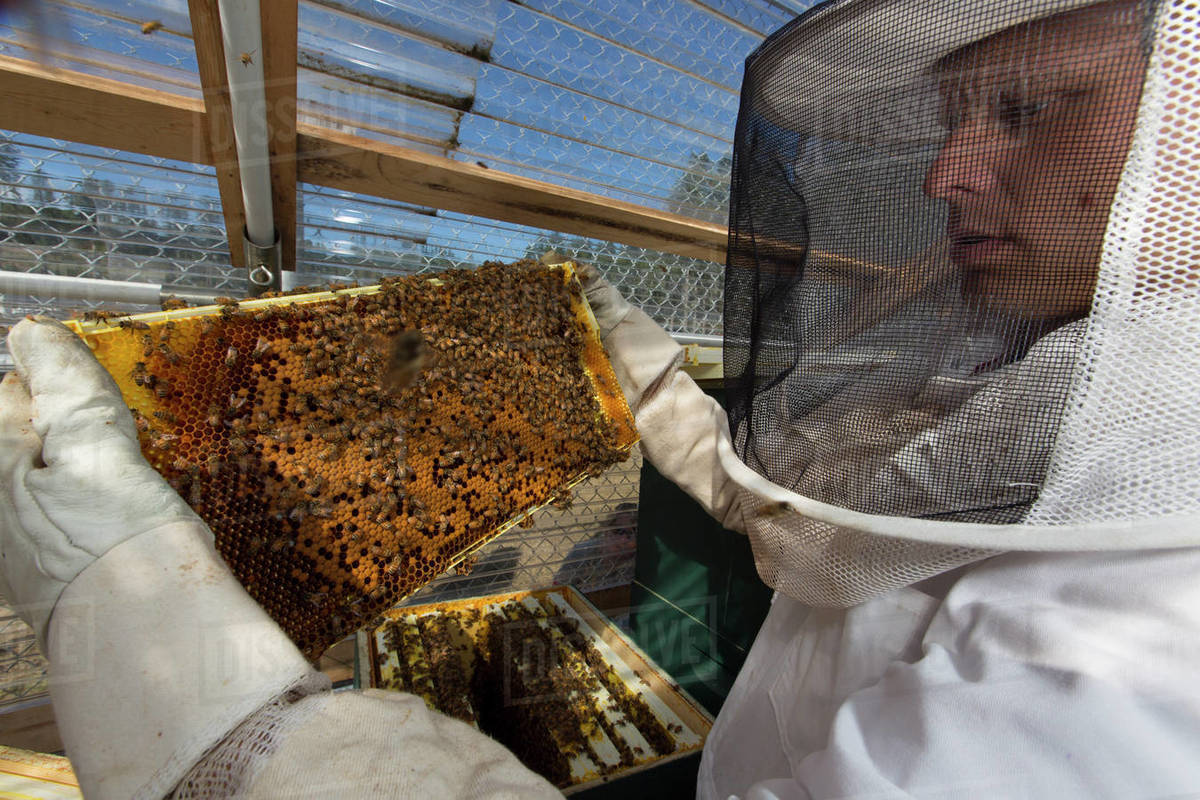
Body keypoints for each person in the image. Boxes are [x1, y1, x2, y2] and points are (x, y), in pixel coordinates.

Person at [2, 1, 1198, 798]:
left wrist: (216, 724)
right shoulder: (1032, 379)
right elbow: (834, 526)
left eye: (1031, 109)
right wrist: (667, 398)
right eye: (948, 121)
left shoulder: (1163, 615)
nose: (946, 172)